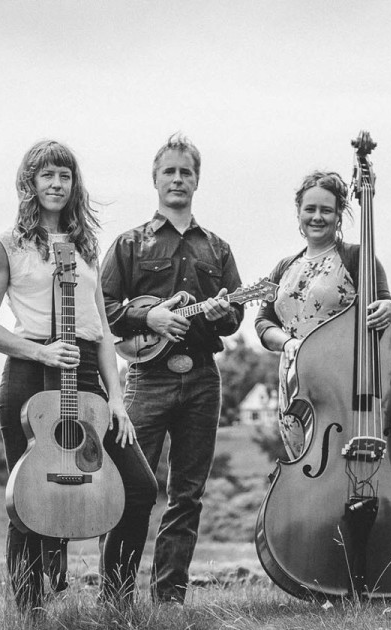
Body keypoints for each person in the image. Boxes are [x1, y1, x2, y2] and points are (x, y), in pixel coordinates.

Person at [0, 140, 158, 615]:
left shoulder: (87, 248)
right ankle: (30, 614)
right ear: (29, 183)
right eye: (47, 175)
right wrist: (41, 351)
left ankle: (116, 601)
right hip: (30, 378)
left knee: (140, 487)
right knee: (28, 504)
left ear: (75, 185)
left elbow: (103, 332)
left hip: (89, 378)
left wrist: (117, 399)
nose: (57, 184)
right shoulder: (7, 245)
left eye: (65, 176)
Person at [100, 133, 243, 604]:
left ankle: (169, 603)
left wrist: (227, 314)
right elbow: (101, 308)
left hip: (203, 378)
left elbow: (237, 313)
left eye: (186, 172)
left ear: (197, 180)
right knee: (127, 489)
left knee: (187, 496)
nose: (178, 179)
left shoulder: (218, 250)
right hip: (145, 381)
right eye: (170, 172)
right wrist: (149, 316)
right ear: (155, 179)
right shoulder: (128, 244)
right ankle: (116, 600)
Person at [254, 170, 391, 459]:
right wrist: (287, 343)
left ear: (339, 216)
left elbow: (386, 302)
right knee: (304, 466)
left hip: (341, 381)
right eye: (310, 209)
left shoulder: (358, 257)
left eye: (326, 210)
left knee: (337, 462)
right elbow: (262, 322)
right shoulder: (284, 266)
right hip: (294, 383)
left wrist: (390, 309)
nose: (317, 217)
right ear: (299, 213)